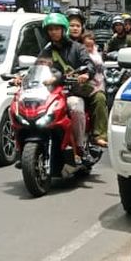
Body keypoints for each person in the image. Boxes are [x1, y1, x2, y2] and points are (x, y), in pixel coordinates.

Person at [37, 13, 93, 157]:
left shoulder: (78, 48)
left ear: (63, 29)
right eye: (50, 29)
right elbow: (37, 68)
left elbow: (88, 64)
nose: (53, 32)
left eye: (56, 29)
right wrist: (22, 77)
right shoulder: (47, 51)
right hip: (52, 93)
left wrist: (86, 74)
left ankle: (80, 147)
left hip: (72, 91)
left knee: (75, 107)